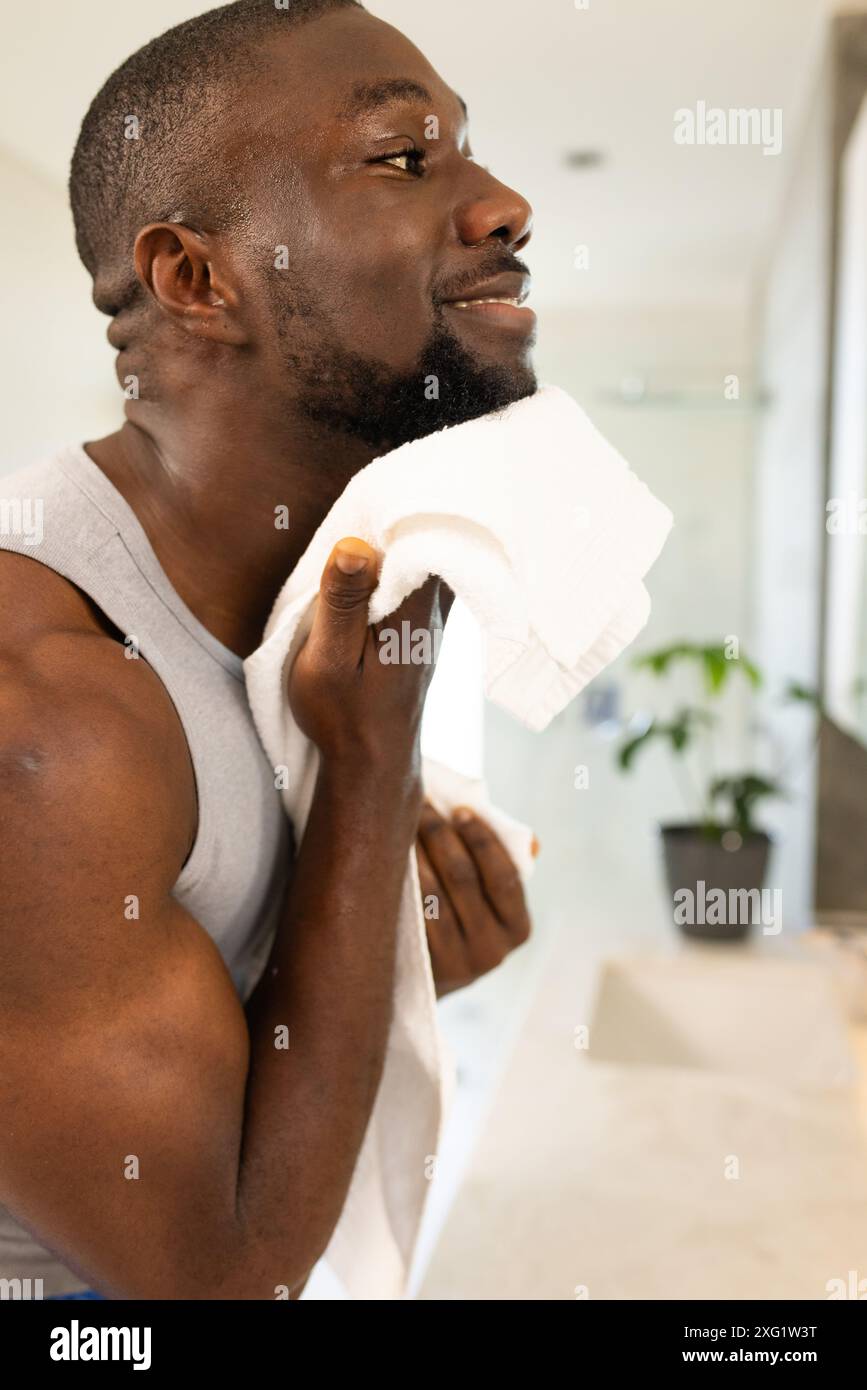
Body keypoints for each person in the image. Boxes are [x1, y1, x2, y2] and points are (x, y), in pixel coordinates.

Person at [0, 0, 536, 1299]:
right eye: (405, 158)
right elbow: (219, 1287)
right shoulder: (52, 713)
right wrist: (370, 765)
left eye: (466, 148)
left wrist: (369, 961)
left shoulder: (302, 601)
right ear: (198, 278)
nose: (506, 203)